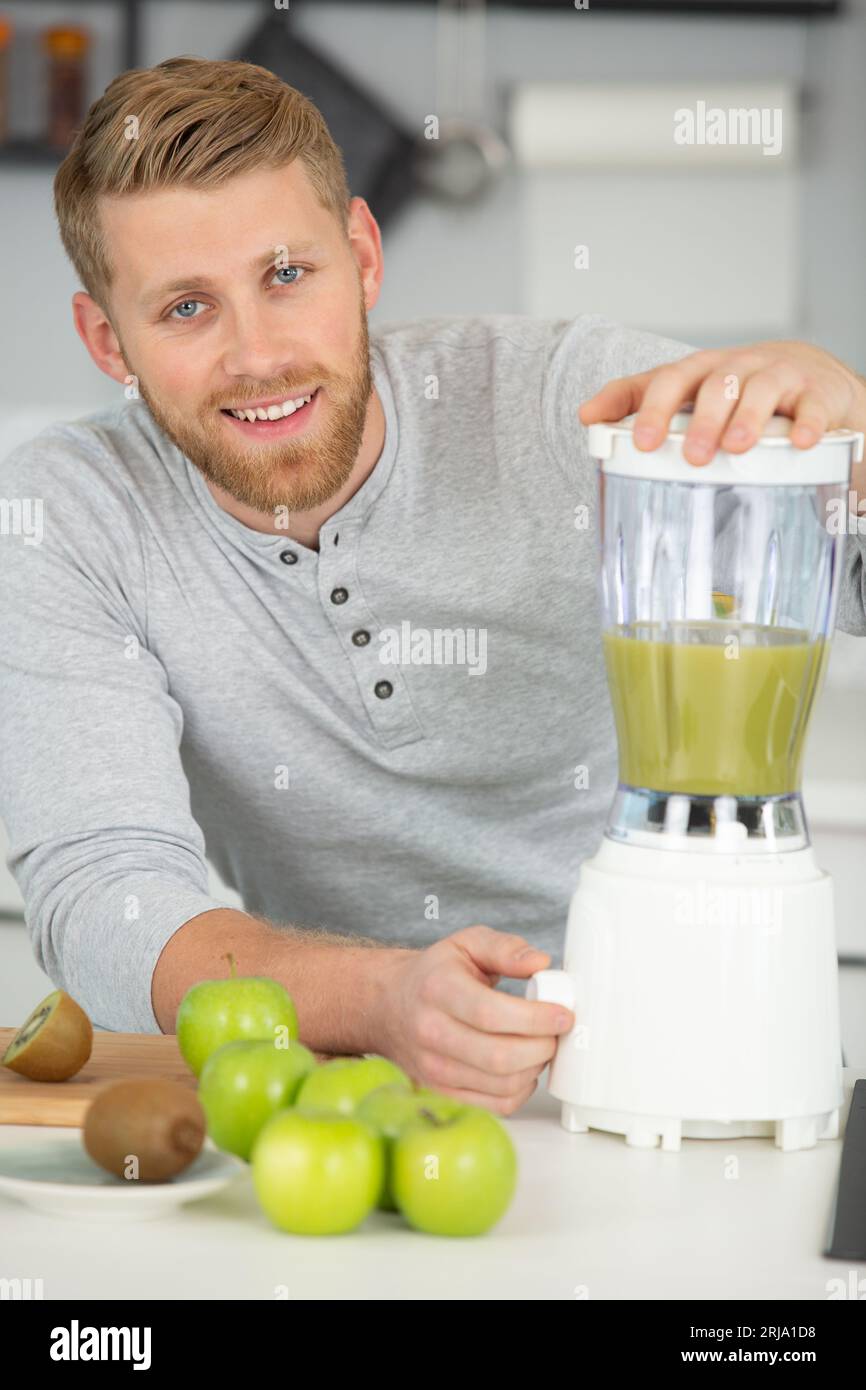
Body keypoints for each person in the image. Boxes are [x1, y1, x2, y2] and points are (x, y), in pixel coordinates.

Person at [1, 58, 864, 1115]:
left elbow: (838, 563)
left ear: (362, 258)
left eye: (287, 275)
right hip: (345, 1099)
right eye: (186, 307)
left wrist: (852, 437)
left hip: (687, 1078)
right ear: (108, 342)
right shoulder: (70, 514)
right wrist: (379, 999)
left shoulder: (567, 406)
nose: (257, 356)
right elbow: (107, 902)